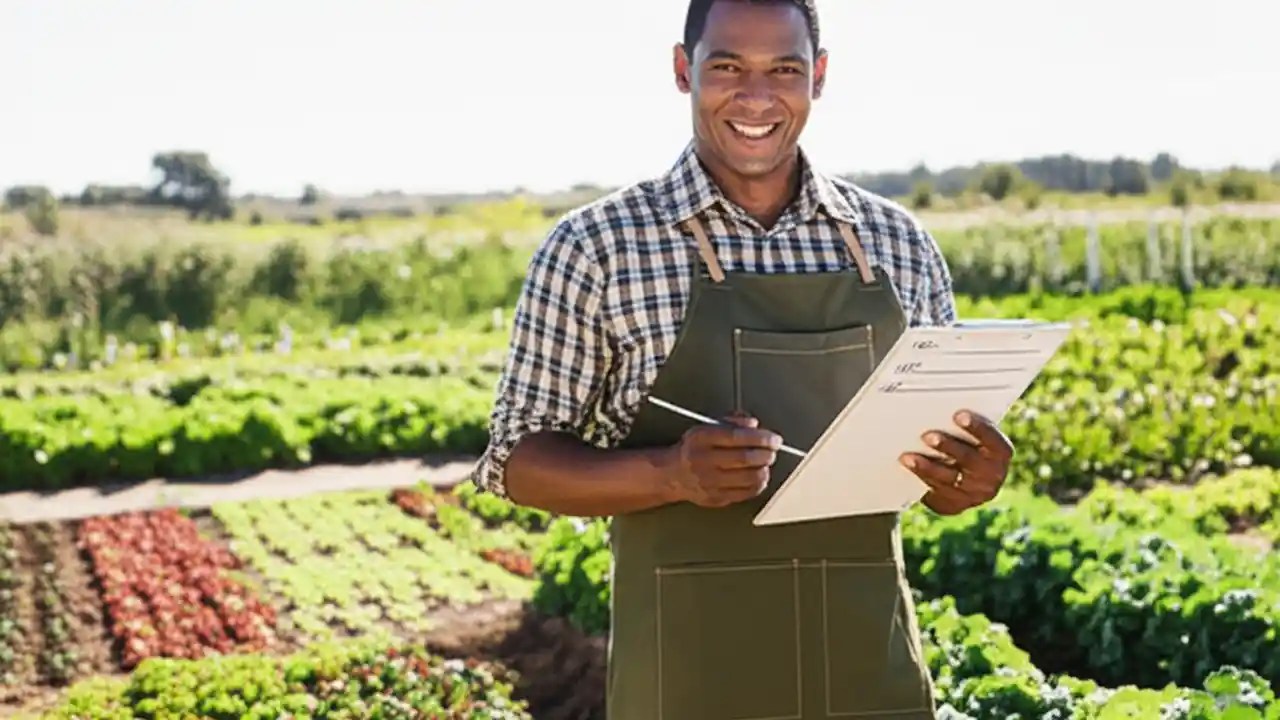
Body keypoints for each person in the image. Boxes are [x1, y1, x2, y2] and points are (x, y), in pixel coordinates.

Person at [470, 0, 1014, 717]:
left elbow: (933, 472)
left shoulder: (896, 245)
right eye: (727, 67)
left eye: (783, 70)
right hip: (688, 680)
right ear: (681, 69)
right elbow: (517, 462)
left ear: (817, 77)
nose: (756, 97)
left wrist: (967, 479)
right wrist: (668, 472)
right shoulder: (597, 248)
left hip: (868, 678)